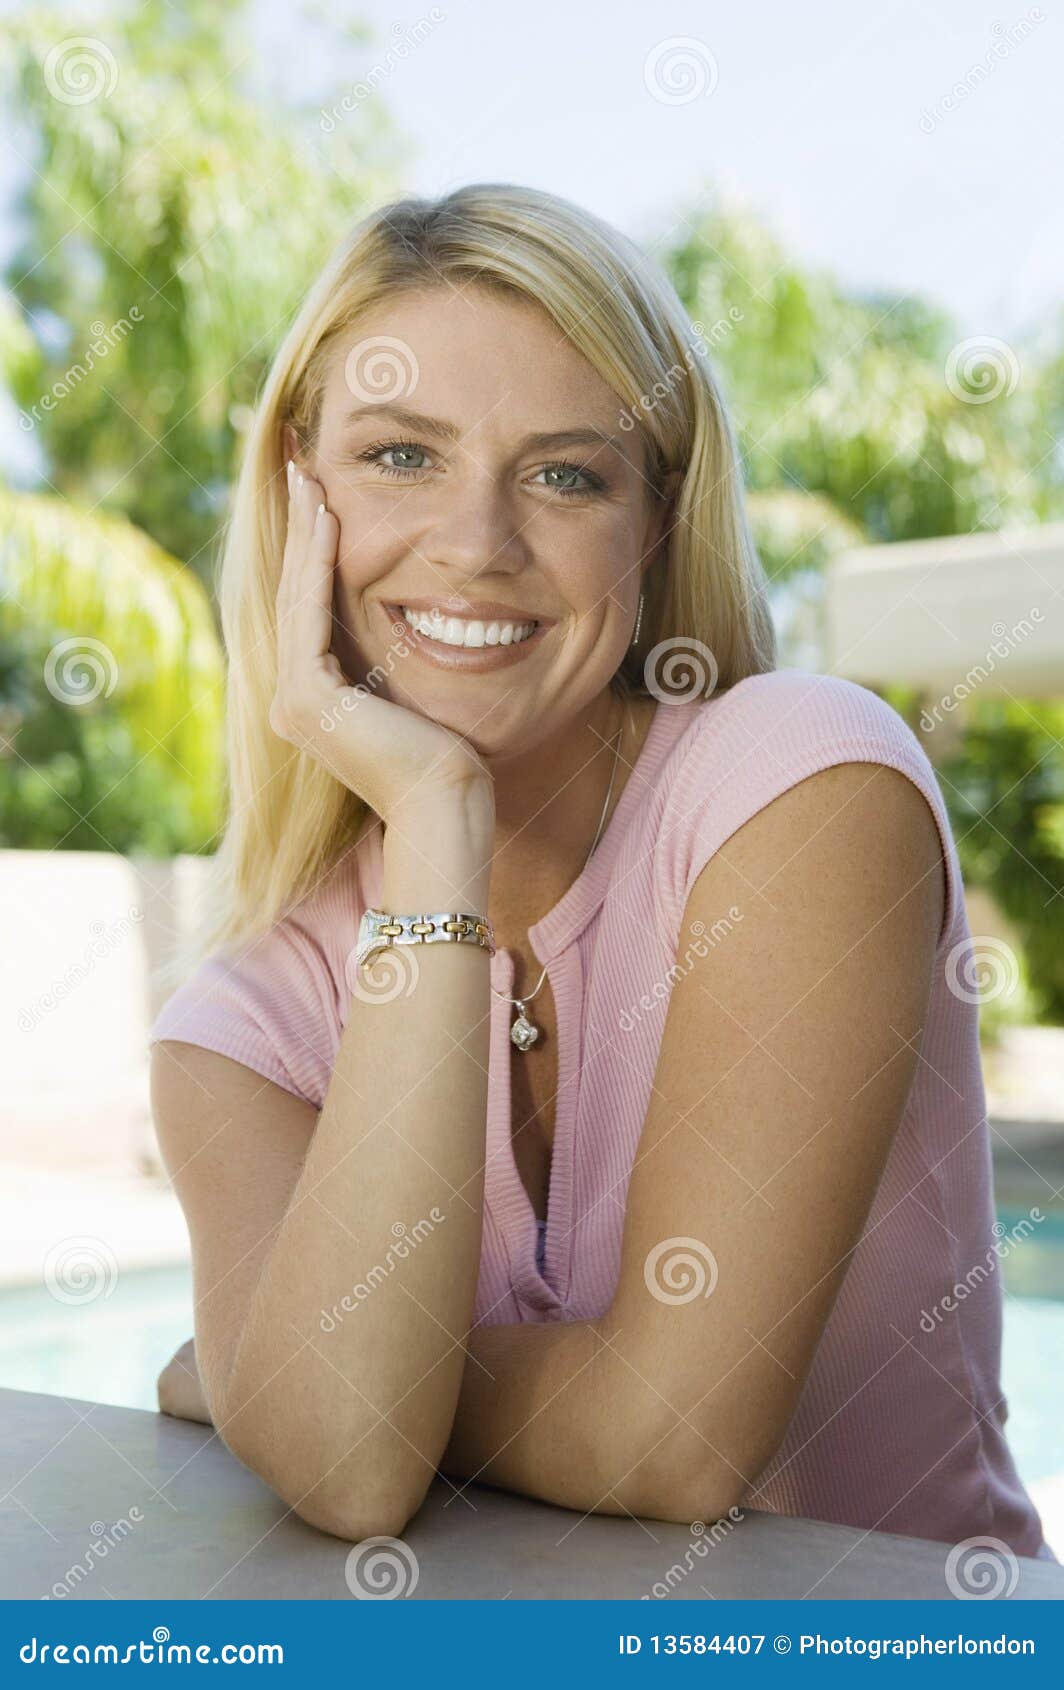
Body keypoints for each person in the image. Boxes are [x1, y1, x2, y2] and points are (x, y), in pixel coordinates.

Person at [150, 182, 1051, 1563]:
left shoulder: (804, 782)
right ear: (295, 488)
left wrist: (291, 1377)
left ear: (653, 520)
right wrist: (438, 817)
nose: (478, 543)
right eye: (402, 455)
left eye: (567, 473)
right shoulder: (247, 1018)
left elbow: (675, 1438)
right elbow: (344, 1466)